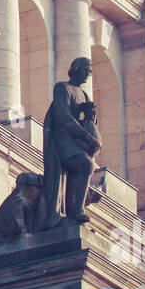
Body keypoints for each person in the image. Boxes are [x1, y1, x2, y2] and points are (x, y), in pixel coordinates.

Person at [40, 56, 101, 228]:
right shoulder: (63, 88)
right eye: (85, 70)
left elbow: (88, 122)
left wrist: (90, 118)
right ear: (75, 69)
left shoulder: (84, 94)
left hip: (76, 140)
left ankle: (74, 210)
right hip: (62, 138)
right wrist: (86, 136)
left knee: (84, 167)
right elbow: (63, 116)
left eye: (90, 71)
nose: (88, 74)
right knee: (85, 166)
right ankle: (76, 211)